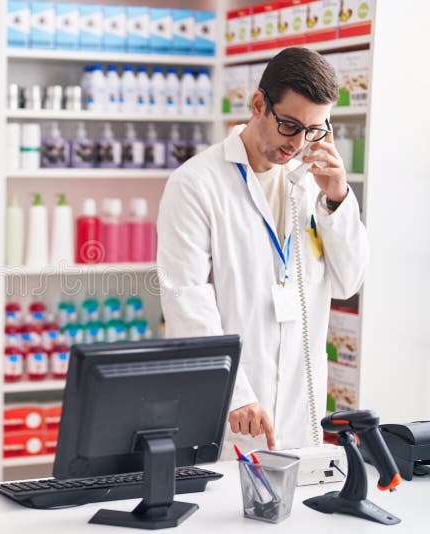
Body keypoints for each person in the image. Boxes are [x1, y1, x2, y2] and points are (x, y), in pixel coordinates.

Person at [156, 48, 368, 457]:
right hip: (229, 413)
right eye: (290, 125)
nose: (299, 143)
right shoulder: (196, 184)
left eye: (315, 130)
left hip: (299, 411)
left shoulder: (312, 184)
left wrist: (338, 198)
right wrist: (235, 394)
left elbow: (348, 282)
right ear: (258, 105)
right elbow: (187, 301)